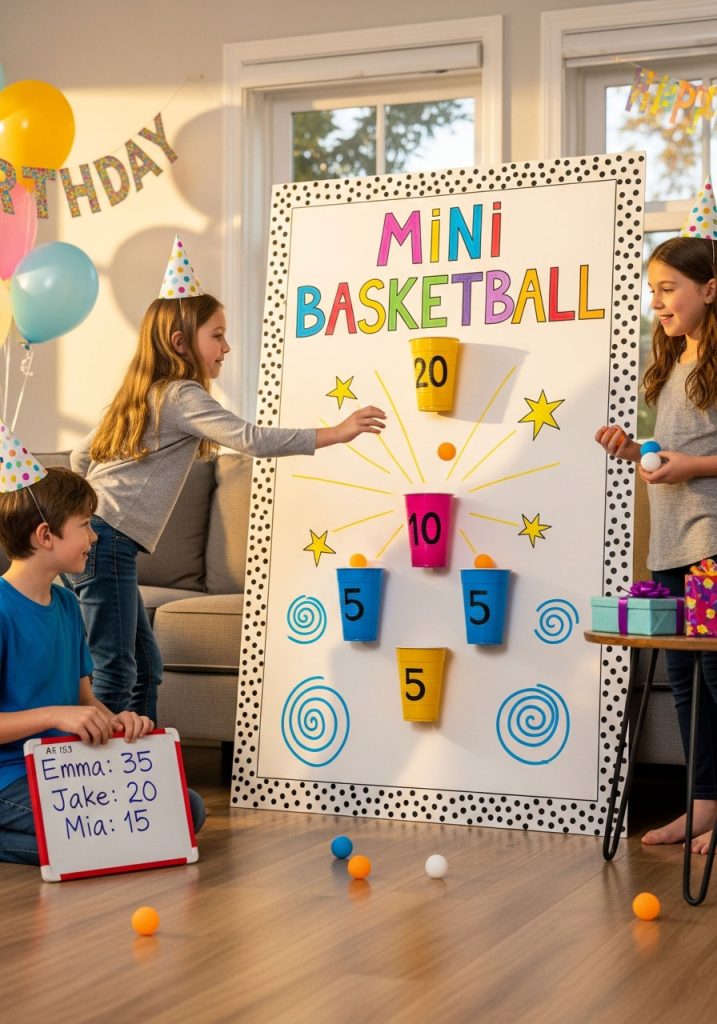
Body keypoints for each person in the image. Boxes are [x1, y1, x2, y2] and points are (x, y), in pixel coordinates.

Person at [70, 236, 386, 727]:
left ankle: (149, 770)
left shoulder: (143, 393)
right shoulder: (180, 394)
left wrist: (90, 512)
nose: (227, 346)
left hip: (104, 539)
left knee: (146, 667)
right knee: (117, 669)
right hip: (107, 543)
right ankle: (106, 783)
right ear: (181, 343)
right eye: (217, 335)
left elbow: (80, 454)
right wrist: (336, 432)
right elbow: (251, 439)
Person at [0, 461, 204, 865]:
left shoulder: (67, 604)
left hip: (65, 770)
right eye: (86, 525)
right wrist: (54, 716)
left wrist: (116, 720)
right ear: (46, 535)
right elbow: (61, 711)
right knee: (106, 838)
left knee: (187, 808)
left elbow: (84, 700)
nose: (94, 537)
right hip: (9, 779)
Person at [595, 234, 717, 855]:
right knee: (687, 684)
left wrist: (689, 467)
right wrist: (632, 450)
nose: (658, 302)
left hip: (710, 545)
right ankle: (700, 806)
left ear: (710, 289)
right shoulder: (671, 365)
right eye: (654, 291)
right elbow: (667, 455)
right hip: (667, 548)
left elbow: (696, 461)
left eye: (669, 289)